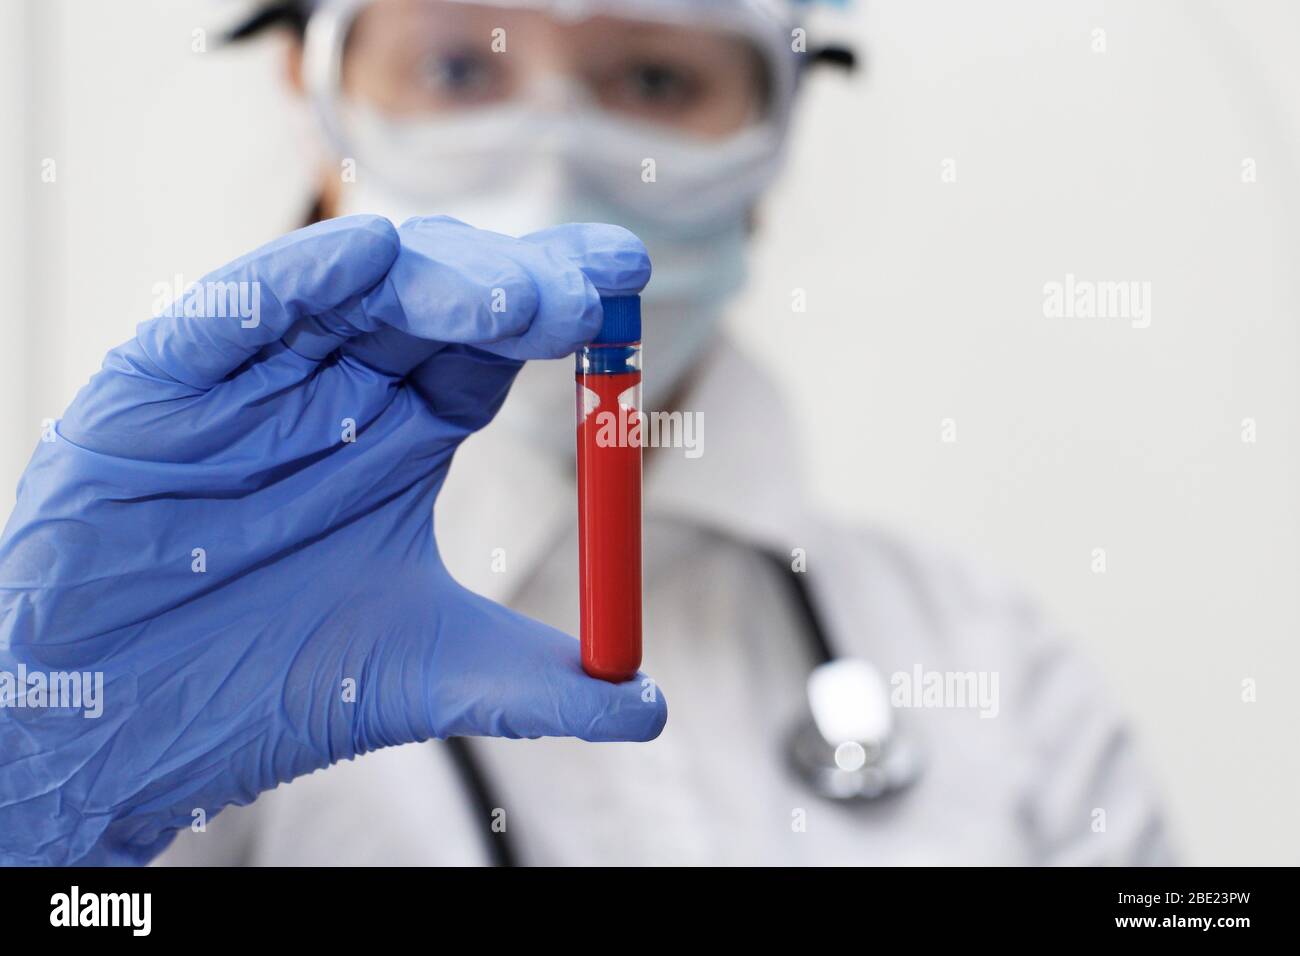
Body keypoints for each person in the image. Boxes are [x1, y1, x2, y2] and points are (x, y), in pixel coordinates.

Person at [0, 0, 1171, 866]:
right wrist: (41, 794)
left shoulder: (995, 670)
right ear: (312, 103)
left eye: (656, 80)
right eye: (459, 63)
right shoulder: (169, 618)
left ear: (775, 140)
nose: (556, 151)